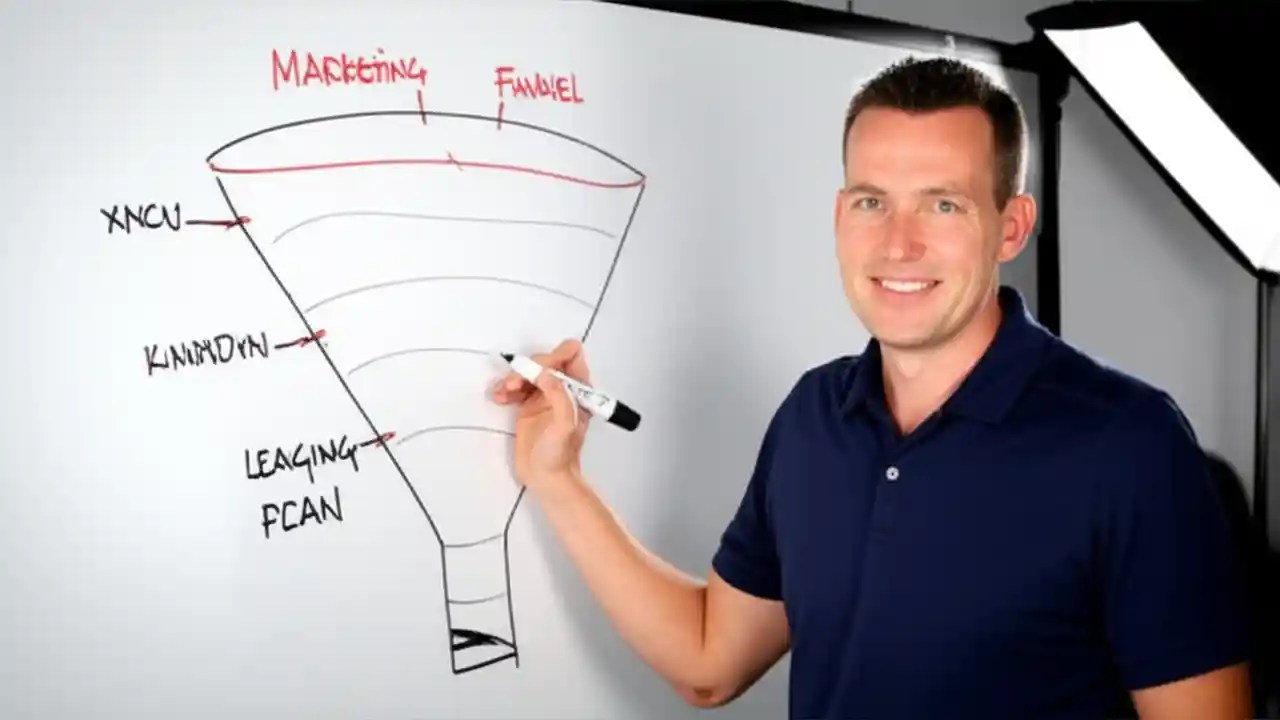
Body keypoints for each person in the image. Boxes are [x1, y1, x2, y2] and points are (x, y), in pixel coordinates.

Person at [488, 56, 1253, 719]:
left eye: (943, 204)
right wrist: (557, 480)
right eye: (871, 201)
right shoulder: (812, 419)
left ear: (1012, 227)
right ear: (840, 214)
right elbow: (708, 664)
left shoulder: (1128, 445)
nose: (898, 243)